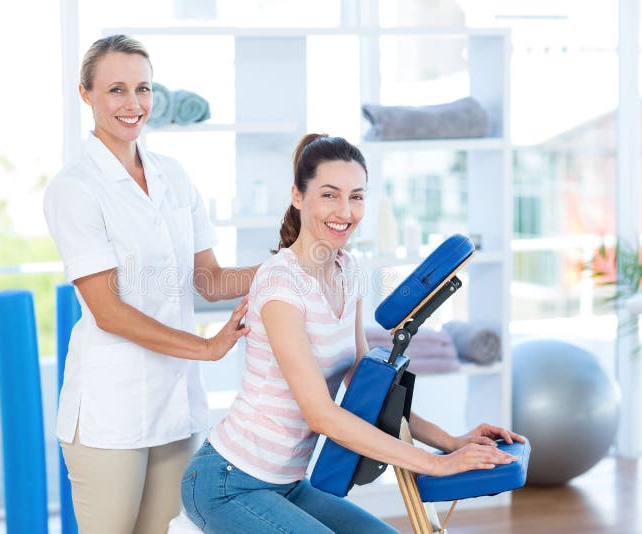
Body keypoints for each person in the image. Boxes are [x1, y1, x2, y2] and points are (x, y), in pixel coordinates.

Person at [180, 134, 525, 533]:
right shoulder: (280, 285)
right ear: (297, 196)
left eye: (356, 196)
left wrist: (451, 441)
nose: (345, 211)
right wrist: (435, 464)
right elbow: (321, 414)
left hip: (287, 485)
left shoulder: (349, 271)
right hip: (228, 483)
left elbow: (368, 390)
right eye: (329, 195)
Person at [43, 34, 258, 534]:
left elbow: (209, 279)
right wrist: (205, 349)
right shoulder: (75, 189)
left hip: (176, 406)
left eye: (143, 89)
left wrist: (290, 264)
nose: (133, 103)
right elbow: (108, 310)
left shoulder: (173, 176)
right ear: (86, 94)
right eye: (116, 89)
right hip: (110, 410)